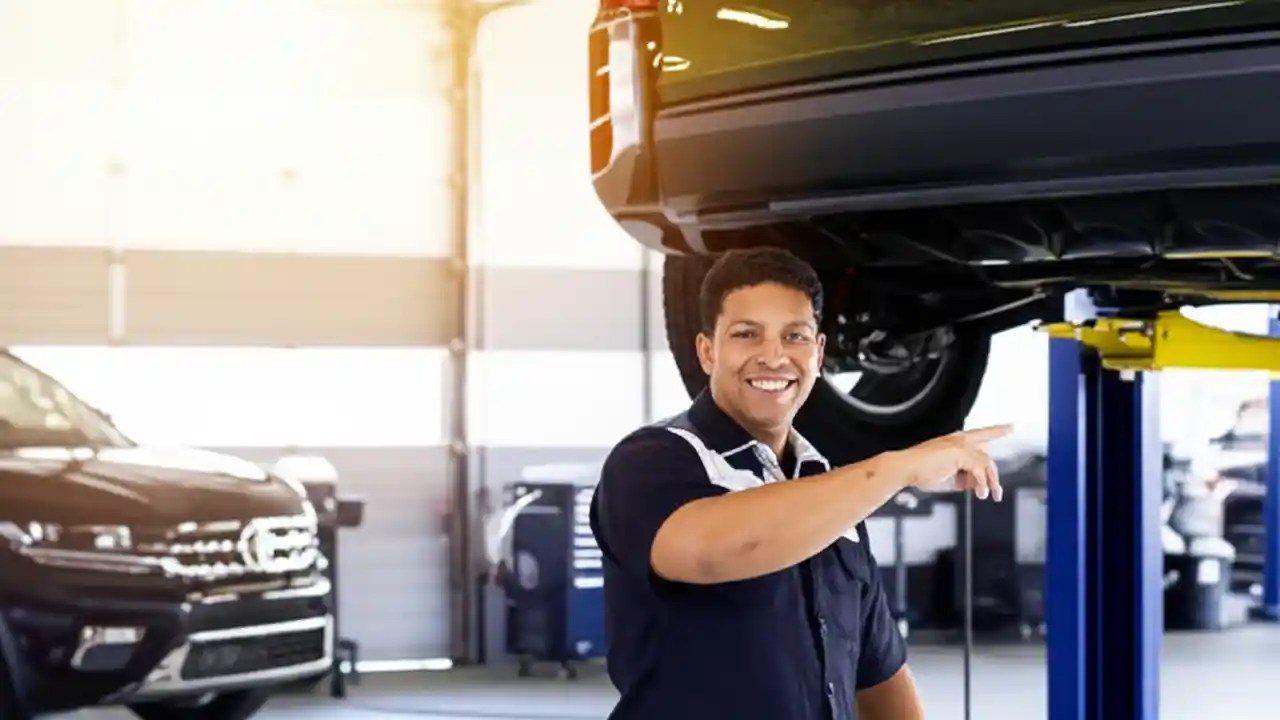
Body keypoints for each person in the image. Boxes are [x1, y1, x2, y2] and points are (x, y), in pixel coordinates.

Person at [588, 247, 1012, 720]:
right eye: (747, 335)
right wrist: (899, 468)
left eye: (795, 336)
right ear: (707, 352)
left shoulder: (831, 493)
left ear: (819, 353)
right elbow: (711, 549)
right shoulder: (653, 461)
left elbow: (878, 677)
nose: (774, 356)